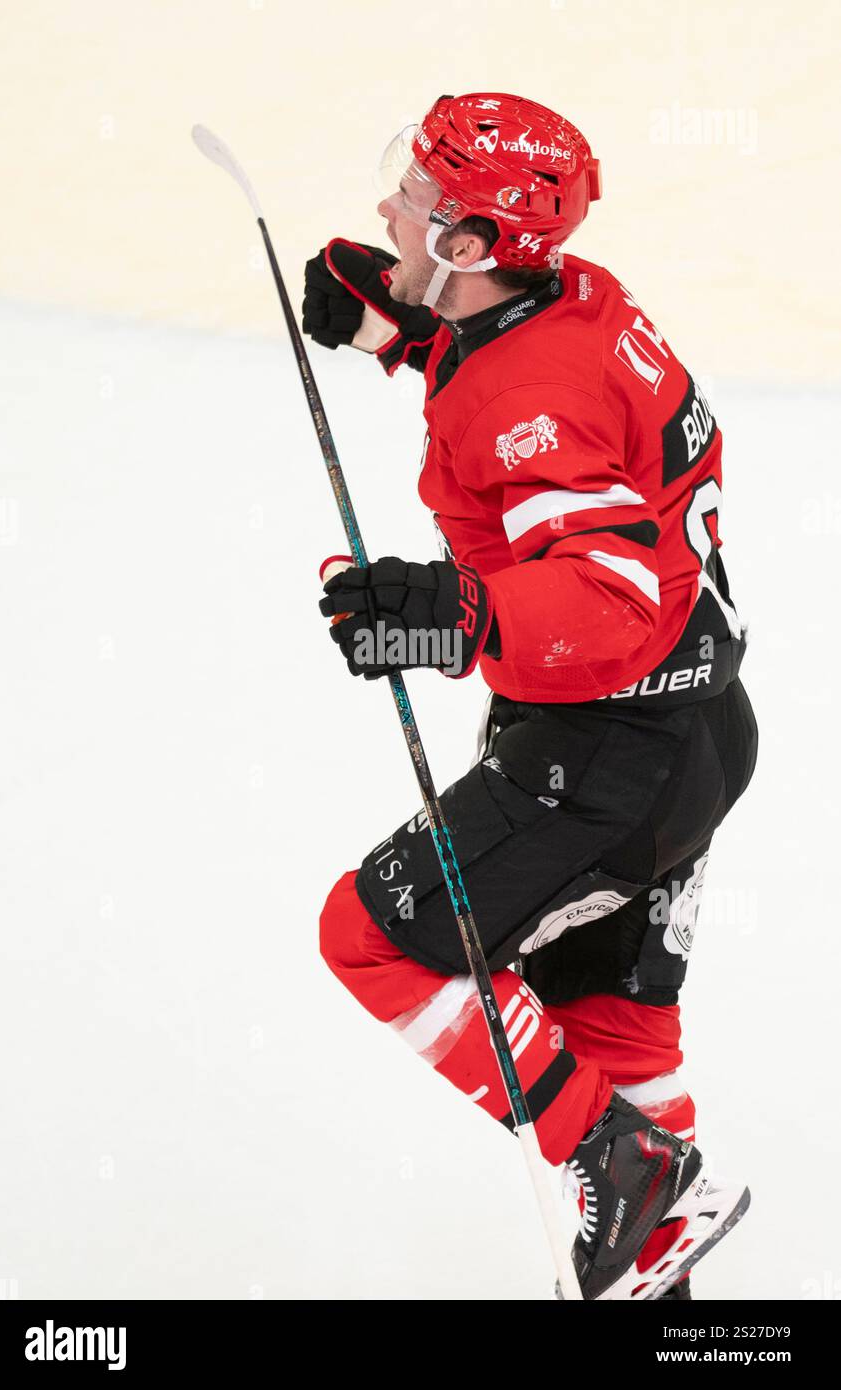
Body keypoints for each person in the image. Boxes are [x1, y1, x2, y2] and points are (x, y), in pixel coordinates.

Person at [303, 92, 758, 1301]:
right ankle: (657, 1256)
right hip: (692, 731)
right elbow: (538, 394)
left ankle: (627, 1169)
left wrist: (462, 614)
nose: (387, 203)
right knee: (605, 1020)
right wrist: (399, 329)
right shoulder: (573, 297)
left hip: (602, 752)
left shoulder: (527, 400)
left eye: (416, 197)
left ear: (467, 246)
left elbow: (605, 592)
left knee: (377, 937)